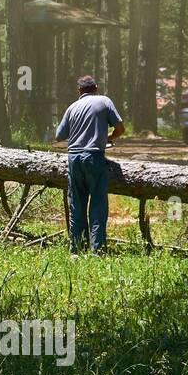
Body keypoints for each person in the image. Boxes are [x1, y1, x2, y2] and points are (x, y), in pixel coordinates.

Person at [54, 75, 125, 254]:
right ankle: (97, 250)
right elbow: (120, 128)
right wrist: (109, 137)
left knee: (77, 204)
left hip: (74, 158)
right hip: (94, 157)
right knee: (98, 203)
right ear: (96, 87)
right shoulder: (104, 101)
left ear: (79, 91)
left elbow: (59, 136)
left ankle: (76, 249)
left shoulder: (72, 107)